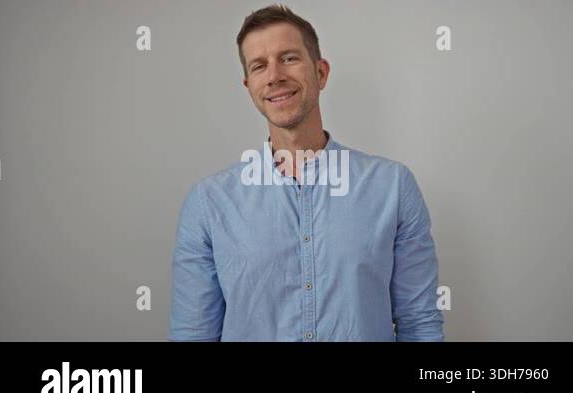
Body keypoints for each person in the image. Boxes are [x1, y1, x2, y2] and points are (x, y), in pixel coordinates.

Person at [168, 4, 444, 341]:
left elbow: (419, 324)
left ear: (321, 73)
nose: (274, 76)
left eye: (288, 58)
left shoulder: (393, 188)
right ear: (249, 86)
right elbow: (193, 335)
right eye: (259, 66)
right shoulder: (208, 203)